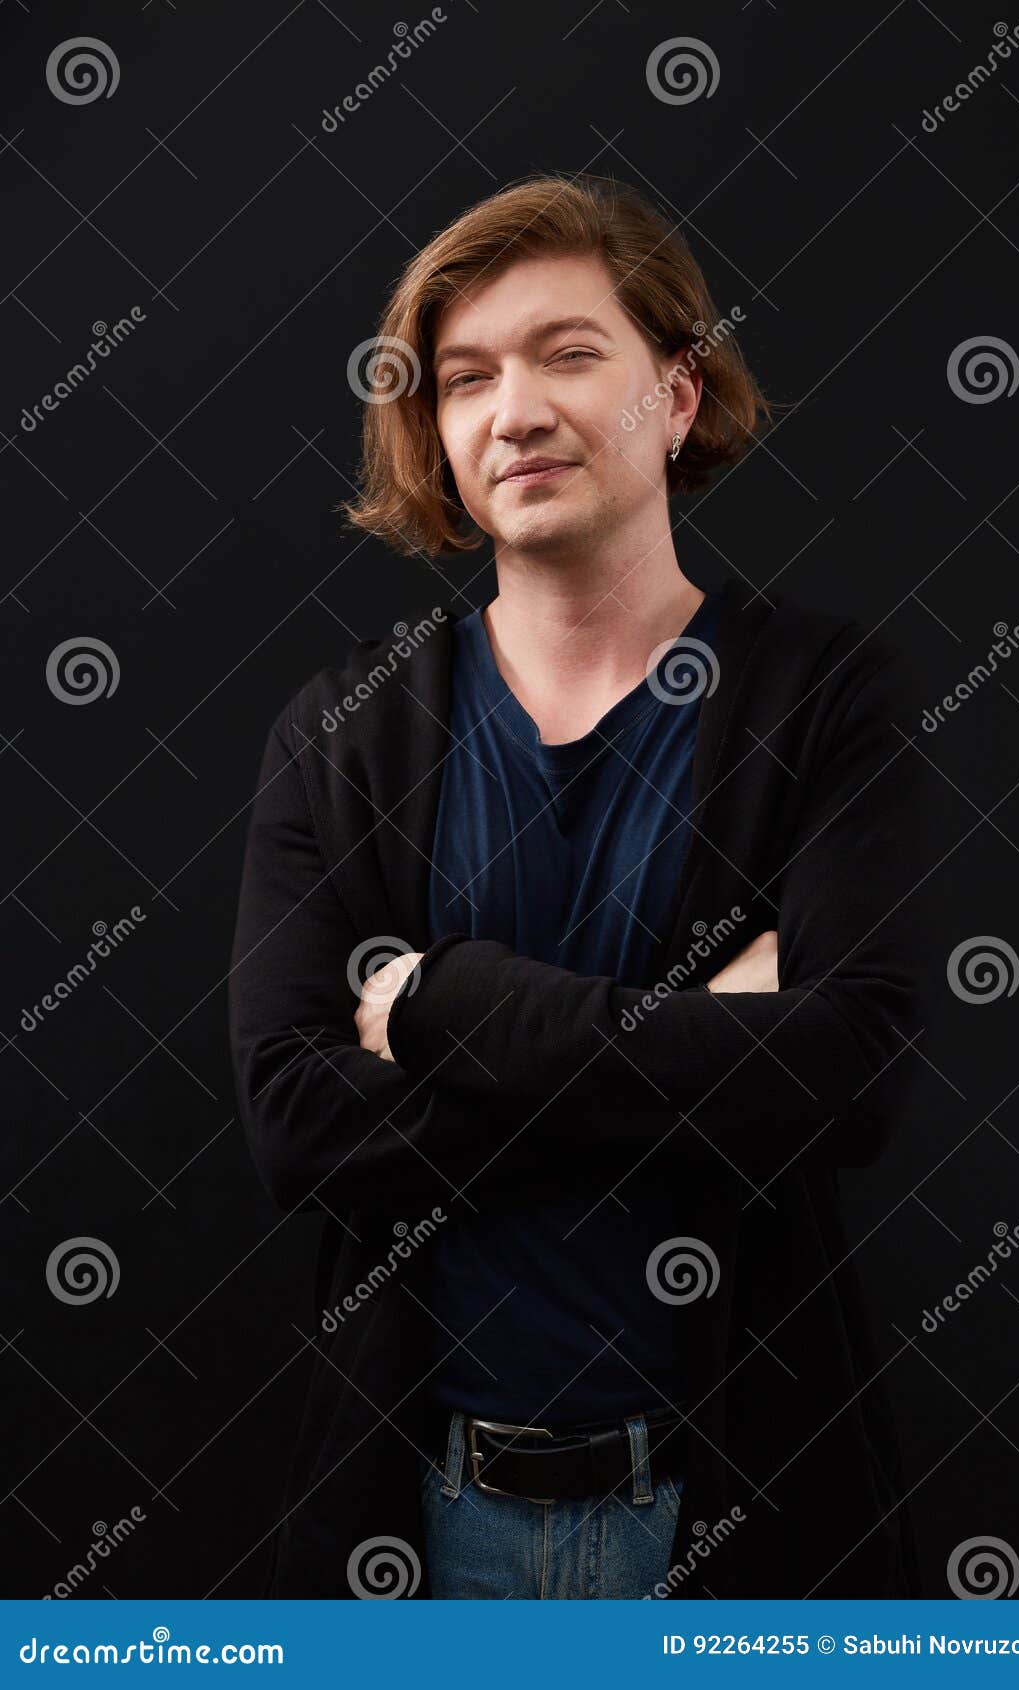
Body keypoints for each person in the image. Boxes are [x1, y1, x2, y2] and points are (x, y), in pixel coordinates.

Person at [228, 173, 931, 1600]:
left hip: (738, 1511)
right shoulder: (347, 729)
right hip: (420, 1527)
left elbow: (848, 1077)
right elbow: (297, 1124)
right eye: (466, 377)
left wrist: (442, 1003)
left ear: (676, 395)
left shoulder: (824, 700)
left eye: (567, 352)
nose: (513, 409)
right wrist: (700, 1053)